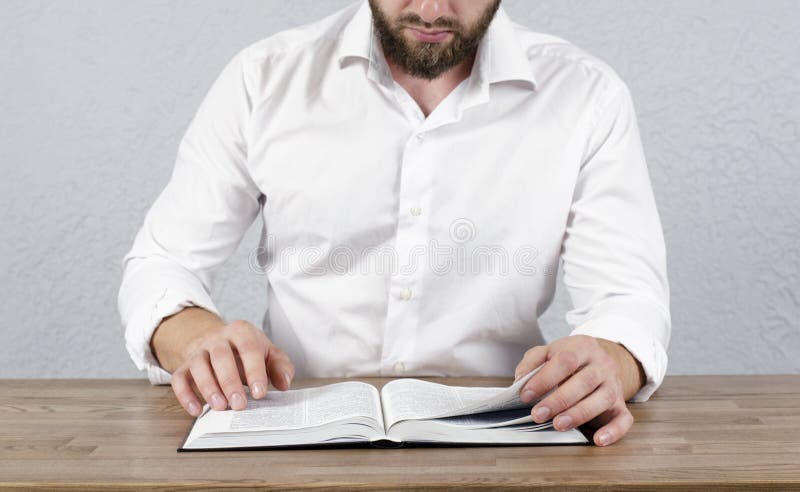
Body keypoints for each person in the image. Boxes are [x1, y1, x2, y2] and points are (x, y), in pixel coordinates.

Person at [118, 0, 670, 448]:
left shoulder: (587, 96)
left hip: (506, 440)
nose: (430, 10)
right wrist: (196, 339)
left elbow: (628, 297)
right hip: (289, 439)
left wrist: (611, 362)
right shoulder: (263, 79)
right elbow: (164, 262)